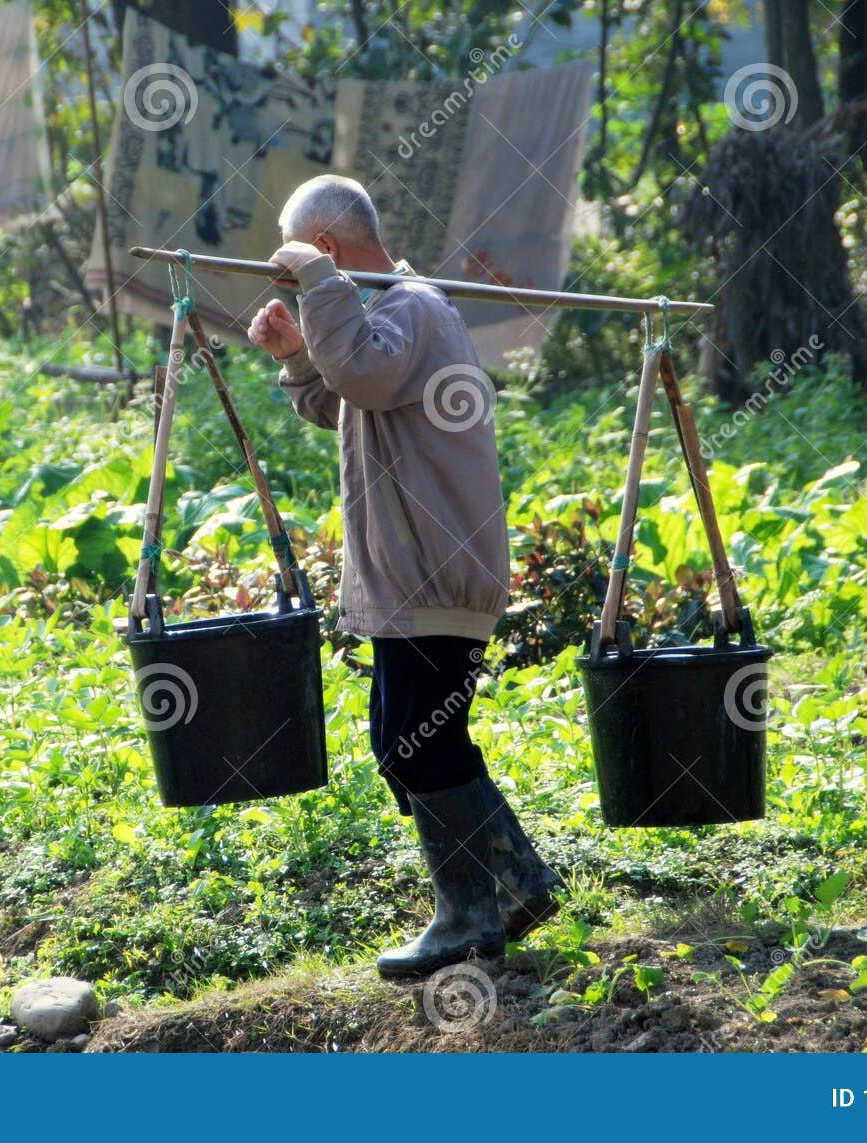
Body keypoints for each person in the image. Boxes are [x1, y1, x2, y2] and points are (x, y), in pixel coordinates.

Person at [246, 174, 560, 979]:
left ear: (323, 248)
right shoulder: (386, 316)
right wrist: (296, 358)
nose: (293, 283)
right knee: (406, 739)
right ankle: (511, 882)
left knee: (417, 742)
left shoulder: (412, 307)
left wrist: (317, 291)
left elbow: (364, 376)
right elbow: (349, 399)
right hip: (411, 576)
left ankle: (471, 911)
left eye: (299, 265)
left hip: (435, 569)